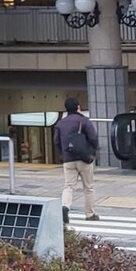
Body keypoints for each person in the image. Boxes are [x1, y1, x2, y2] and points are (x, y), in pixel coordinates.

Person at [53, 94, 100, 222]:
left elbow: (56, 140)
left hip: (68, 159)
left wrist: (63, 153)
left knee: (68, 186)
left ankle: (65, 207)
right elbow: (94, 138)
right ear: (78, 107)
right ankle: (90, 214)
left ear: (66, 109)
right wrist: (92, 152)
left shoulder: (61, 123)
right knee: (88, 187)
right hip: (84, 158)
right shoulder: (84, 121)